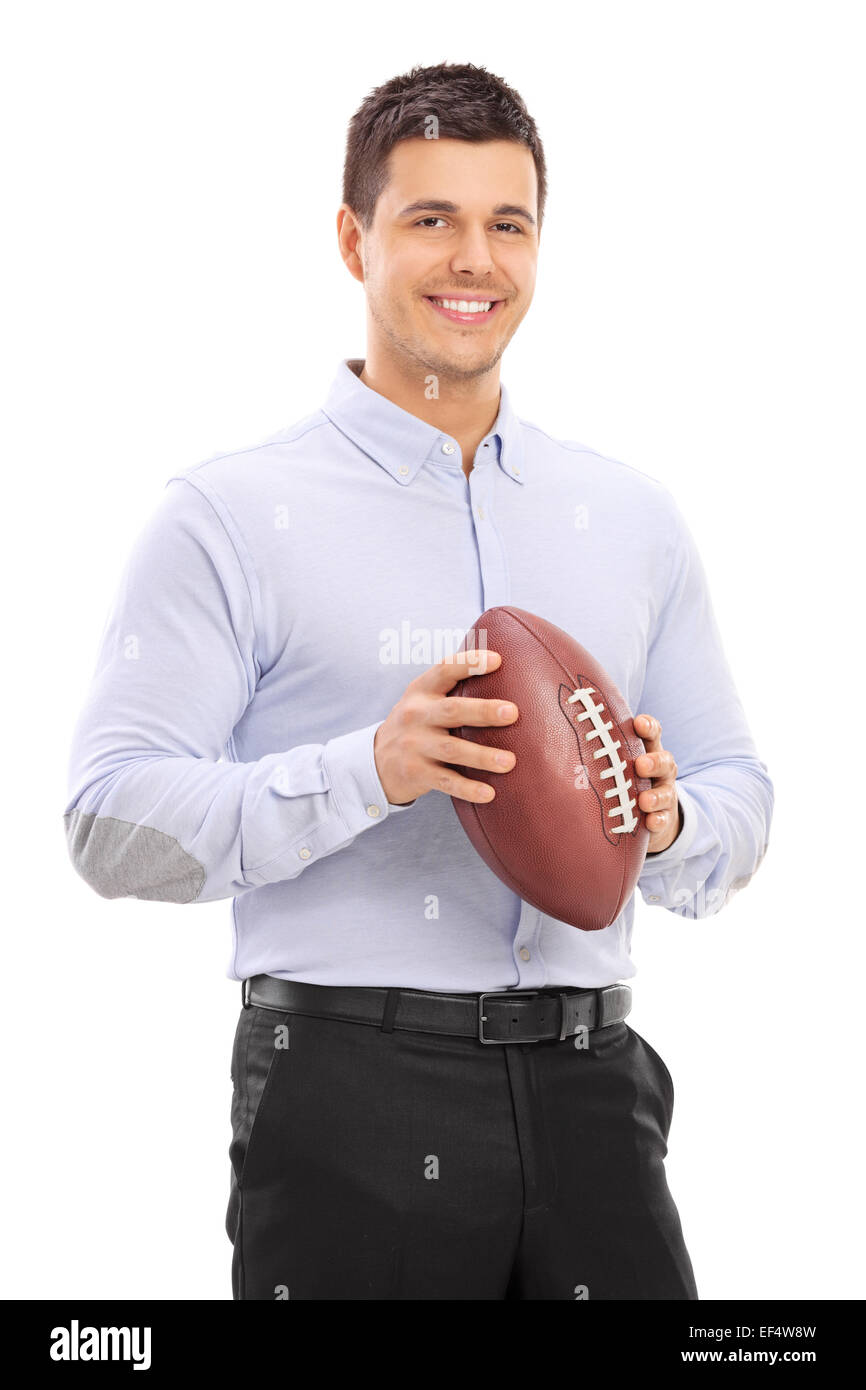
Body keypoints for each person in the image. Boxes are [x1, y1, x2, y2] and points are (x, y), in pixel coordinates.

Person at [64, 62, 774, 1301]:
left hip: (593, 1088)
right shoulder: (225, 514)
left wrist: (667, 817)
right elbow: (108, 823)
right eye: (430, 218)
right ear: (353, 240)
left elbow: (740, 792)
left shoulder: (630, 514)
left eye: (507, 223)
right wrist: (370, 770)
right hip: (349, 1089)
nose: (474, 260)